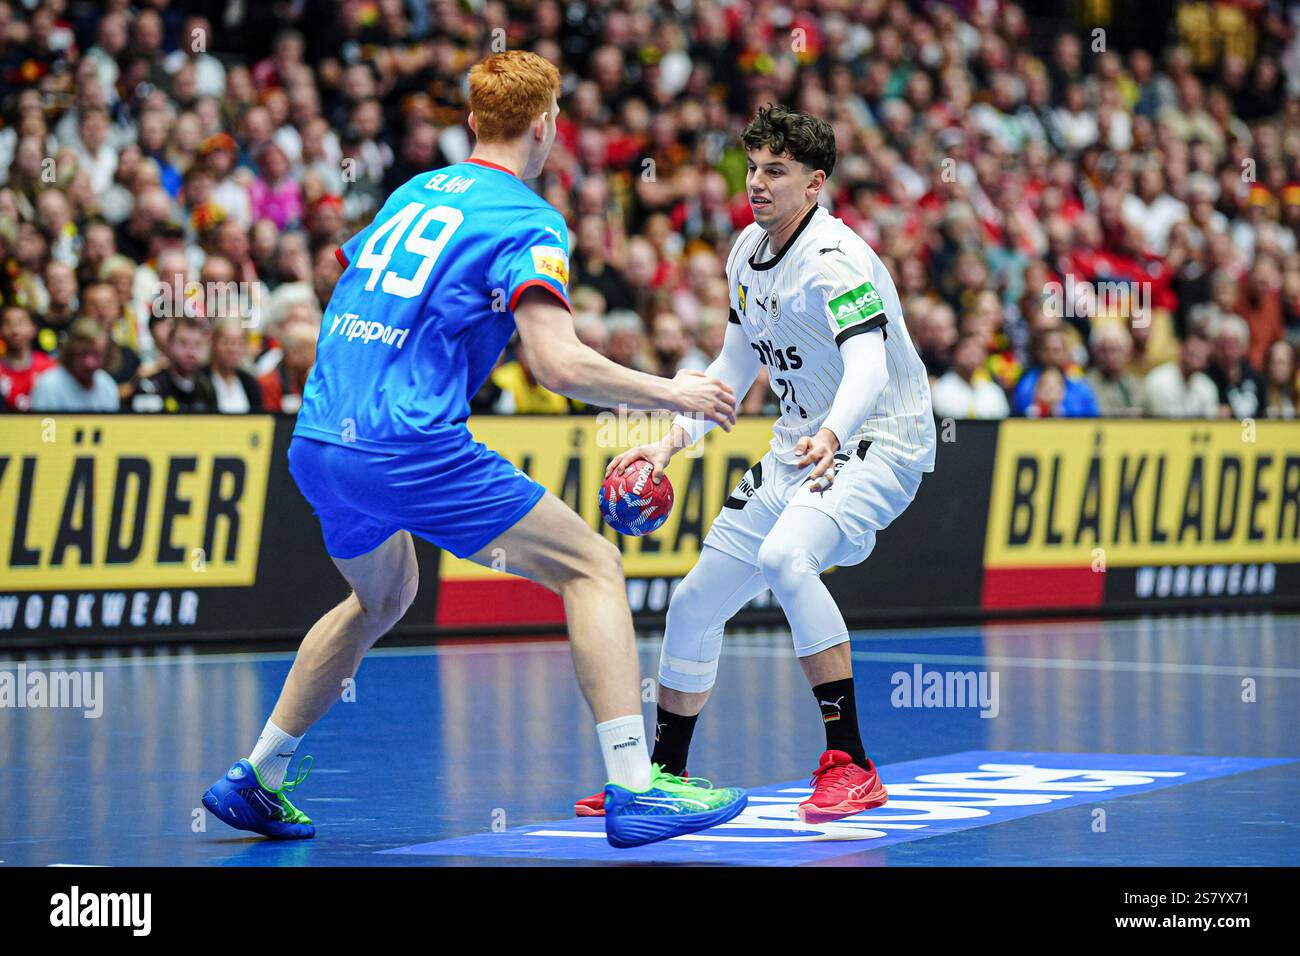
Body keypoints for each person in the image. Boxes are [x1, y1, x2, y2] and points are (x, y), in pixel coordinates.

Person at [200, 51, 747, 849]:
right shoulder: (529, 220)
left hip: (320, 436)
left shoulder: (413, 192)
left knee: (380, 599)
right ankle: (637, 785)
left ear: (471, 124)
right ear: (546, 125)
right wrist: (673, 391)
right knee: (592, 565)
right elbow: (556, 365)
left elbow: (351, 279)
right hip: (408, 443)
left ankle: (258, 774)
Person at [578, 105, 936, 824]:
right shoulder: (747, 249)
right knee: (693, 602)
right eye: (753, 169)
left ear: (815, 184)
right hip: (799, 444)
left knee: (786, 559)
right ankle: (665, 775)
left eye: (777, 172)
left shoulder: (835, 261)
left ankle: (853, 764)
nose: (759, 184)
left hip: (877, 440)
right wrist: (670, 441)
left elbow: (866, 367)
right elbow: (733, 365)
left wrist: (834, 434)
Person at [28, 318, 120, 412]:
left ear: (107, 355)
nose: (89, 363)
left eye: (97, 355)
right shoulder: (48, 386)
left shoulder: (107, 385)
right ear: (71, 351)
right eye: (83, 354)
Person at [931, 331, 1011, 419]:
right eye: (967, 348)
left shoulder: (993, 391)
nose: (974, 354)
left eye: (979, 349)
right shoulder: (940, 389)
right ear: (955, 353)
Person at [1143, 330, 1220, 418]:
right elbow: (1162, 425)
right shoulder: (1158, 381)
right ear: (1181, 349)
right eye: (1192, 353)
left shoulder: (1206, 386)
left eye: (1201, 357)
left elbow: (1210, 424)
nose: (1195, 361)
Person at [0, 304, 56, 411]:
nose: (15, 330)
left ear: (33, 328)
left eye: (21, 322)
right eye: (7, 323)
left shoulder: (49, 367)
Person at [206, 316, 265, 413]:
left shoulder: (250, 383)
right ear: (213, 342)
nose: (233, 349)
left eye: (239, 343)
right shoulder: (200, 381)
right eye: (226, 342)